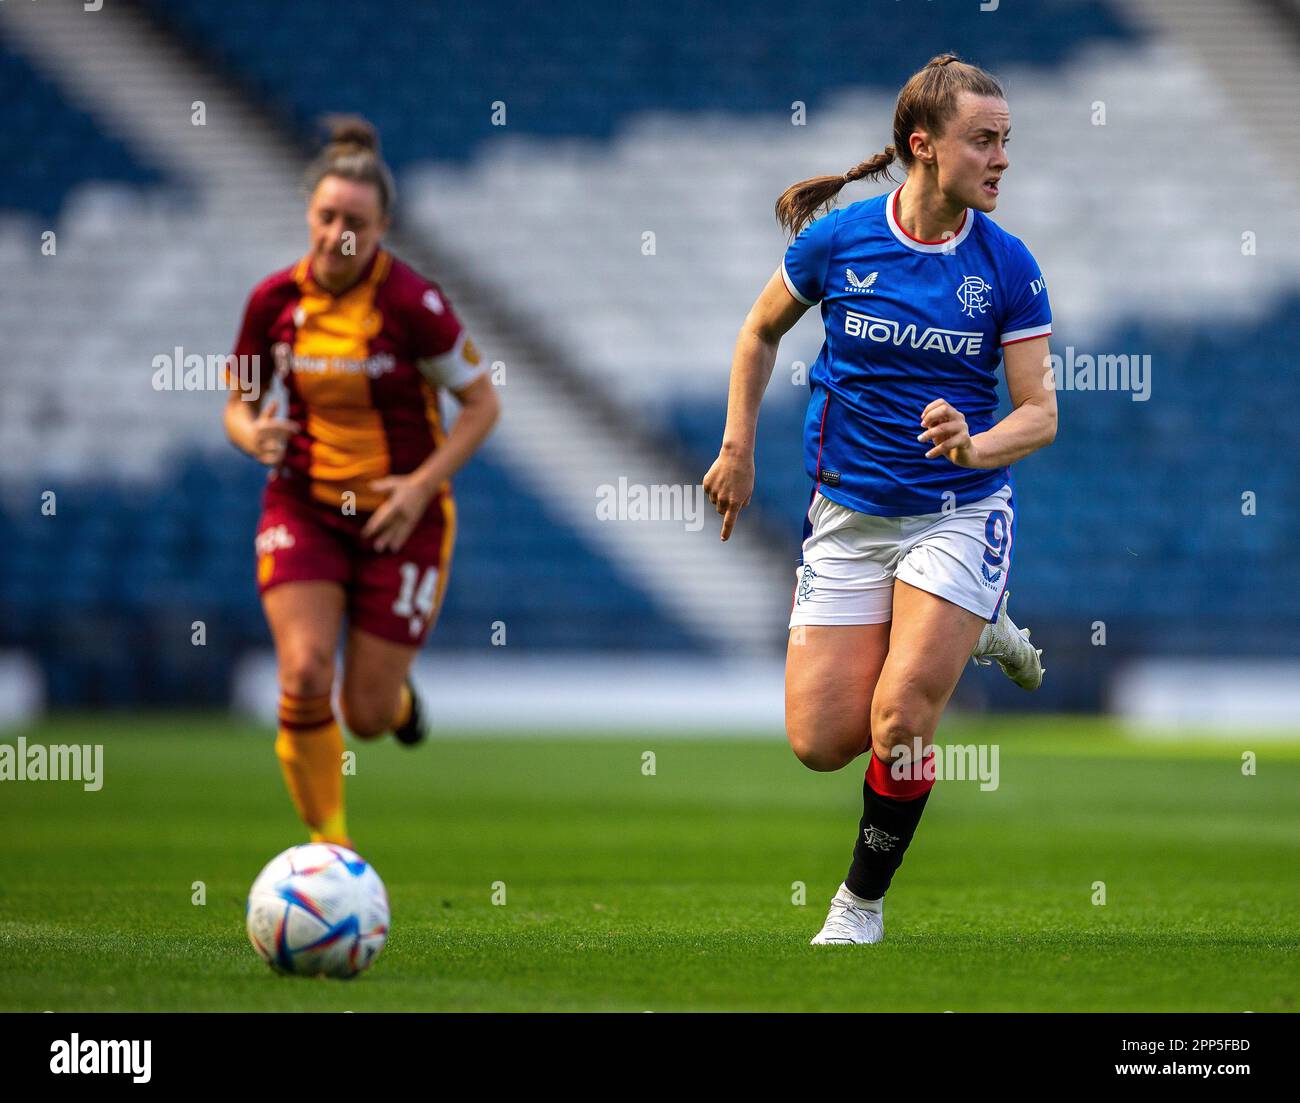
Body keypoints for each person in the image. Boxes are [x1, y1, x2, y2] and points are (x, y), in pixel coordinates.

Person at [703, 54, 1054, 944]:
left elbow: (1040, 414)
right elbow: (757, 332)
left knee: (901, 717)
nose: (1002, 158)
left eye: (1007, 140)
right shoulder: (843, 240)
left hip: (957, 508)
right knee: (821, 740)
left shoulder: (1008, 266)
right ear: (923, 147)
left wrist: (976, 445)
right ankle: (978, 620)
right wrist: (737, 447)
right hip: (850, 519)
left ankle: (858, 906)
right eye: (985, 140)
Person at [223, 117, 500, 848]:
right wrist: (254, 435)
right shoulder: (272, 304)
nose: (337, 234)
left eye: (355, 222)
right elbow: (239, 406)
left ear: (381, 228)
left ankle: (395, 697)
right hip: (305, 506)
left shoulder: (413, 306)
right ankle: (331, 847)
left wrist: (418, 487)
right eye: (326, 216)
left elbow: (482, 404)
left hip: (399, 520)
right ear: (308, 214)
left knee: (368, 715)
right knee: (306, 669)